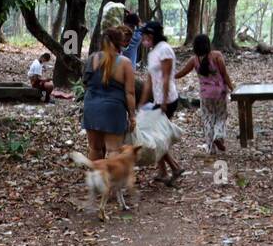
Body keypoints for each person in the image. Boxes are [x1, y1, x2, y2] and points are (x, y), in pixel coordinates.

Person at [82, 28, 137, 161]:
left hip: (91, 108)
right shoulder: (125, 63)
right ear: (120, 42)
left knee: (95, 148)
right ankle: (113, 180)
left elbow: (85, 84)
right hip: (113, 110)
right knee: (114, 149)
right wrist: (132, 116)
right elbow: (130, 93)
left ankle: (97, 179)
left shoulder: (91, 59)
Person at [139, 21, 183, 184]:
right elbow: (149, 81)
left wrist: (163, 102)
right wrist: (142, 102)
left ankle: (174, 168)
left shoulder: (164, 49)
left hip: (168, 98)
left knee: (156, 136)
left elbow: (166, 77)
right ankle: (164, 170)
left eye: (144, 36)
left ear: (151, 36)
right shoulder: (152, 53)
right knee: (155, 135)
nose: (143, 39)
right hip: (157, 99)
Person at [176, 33, 235, 154]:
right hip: (220, 92)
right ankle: (218, 136)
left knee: (208, 119)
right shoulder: (217, 55)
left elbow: (182, 73)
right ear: (208, 44)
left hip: (205, 94)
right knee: (221, 116)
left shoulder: (194, 60)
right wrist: (232, 88)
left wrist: (168, 75)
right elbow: (225, 74)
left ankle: (211, 149)